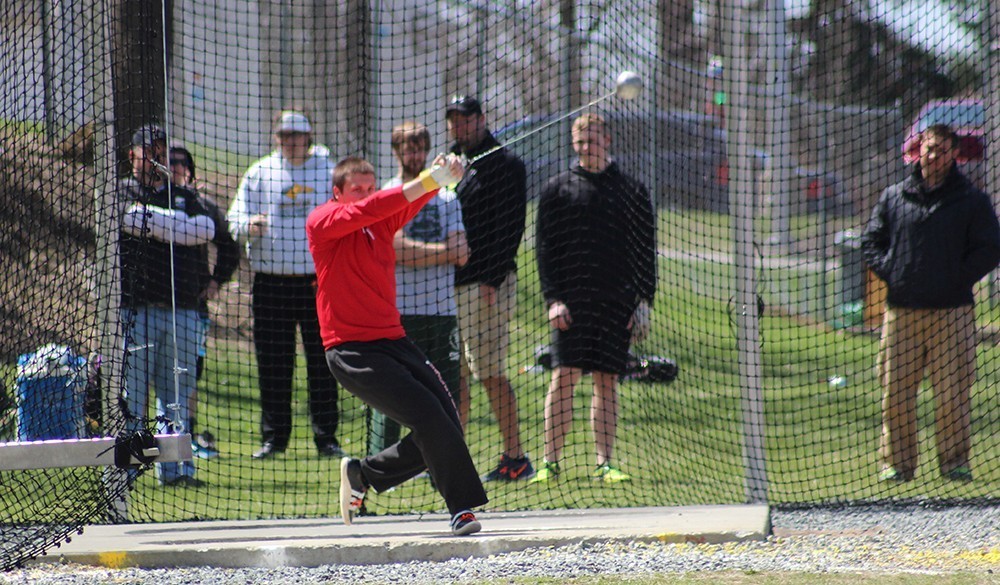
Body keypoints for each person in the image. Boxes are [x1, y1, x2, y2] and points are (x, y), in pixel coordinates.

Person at [306, 155, 487, 536]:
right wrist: (427, 179)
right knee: (428, 417)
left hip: (394, 341)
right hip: (352, 350)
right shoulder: (322, 221)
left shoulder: (378, 225)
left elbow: (397, 203)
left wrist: (436, 180)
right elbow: (379, 205)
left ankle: (364, 474)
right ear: (337, 193)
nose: (366, 196)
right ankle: (461, 510)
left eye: (371, 187)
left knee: (446, 419)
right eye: (357, 189)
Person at [860, 123, 1000, 483]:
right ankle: (897, 463)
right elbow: (871, 241)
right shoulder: (895, 196)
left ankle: (954, 462)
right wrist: (893, 271)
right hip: (901, 312)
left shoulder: (972, 200)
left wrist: (957, 277)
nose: (933, 155)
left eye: (941, 149)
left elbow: (990, 248)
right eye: (928, 147)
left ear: (955, 154)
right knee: (895, 392)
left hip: (952, 313)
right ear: (917, 150)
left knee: (952, 392)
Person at [531, 113, 657, 484]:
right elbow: (544, 251)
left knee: (606, 380)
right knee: (564, 377)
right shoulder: (557, 189)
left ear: (608, 140)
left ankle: (605, 463)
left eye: (593, 140)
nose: (587, 147)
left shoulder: (632, 190)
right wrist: (553, 299)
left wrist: (643, 302)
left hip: (617, 303)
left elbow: (644, 252)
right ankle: (549, 463)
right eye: (580, 141)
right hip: (570, 303)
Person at [227, 109, 344, 459]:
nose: (290, 141)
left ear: (309, 136)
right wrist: (248, 225)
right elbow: (234, 218)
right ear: (275, 137)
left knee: (323, 362)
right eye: (284, 135)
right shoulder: (260, 172)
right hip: (271, 283)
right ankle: (274, 439)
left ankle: (326, 438)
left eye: (297, 134)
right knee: (273, 363)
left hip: (316, 283)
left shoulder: (327, 171)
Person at [119, 124, 217, 487]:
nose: (157, 157)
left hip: (183, 313)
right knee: (132, 398)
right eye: (149, 150)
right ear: (133, 155)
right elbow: (127, 219)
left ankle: (176, 472)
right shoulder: (122, 190)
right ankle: (125, 472)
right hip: (136, 310)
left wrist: (158, 222)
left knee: (176, 396)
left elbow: (206, 229)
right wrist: (177, 226)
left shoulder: (185, 195)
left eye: (160, 150)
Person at [366, 122, 469, 455]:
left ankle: (439, 458)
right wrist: (442, 252)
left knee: (444, 391)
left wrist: (420, 252)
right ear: (397, 152)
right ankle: (385, 459)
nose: (414, 154)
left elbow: (463, 254)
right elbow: (396, 249)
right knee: (391, 391)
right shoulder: (388, 193)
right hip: (396, 312)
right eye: (407, 148)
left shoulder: (446, 196)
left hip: (441, 311)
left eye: (419, 148)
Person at [446, 95, 533, 481]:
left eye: (465, 119)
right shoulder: (448, 164)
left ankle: (515, 458)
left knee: (490, 372)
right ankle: (453, 459)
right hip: (447, 284)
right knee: (455, 374)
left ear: (482, 119)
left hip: (485, 286)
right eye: (453, 121)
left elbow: (511, 226)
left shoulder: (505, 164)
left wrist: (493, 279)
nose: (459, 127)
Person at [169, 146, 240, 459]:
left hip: (191, 306)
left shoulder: (202, 206)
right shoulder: (141, 201)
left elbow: (229, 246)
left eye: (180, 164)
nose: (173, 169)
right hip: (146, 303)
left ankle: (189, 435)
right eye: (168, 163)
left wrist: (216, 281)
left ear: (189, 169)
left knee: (189, 373)